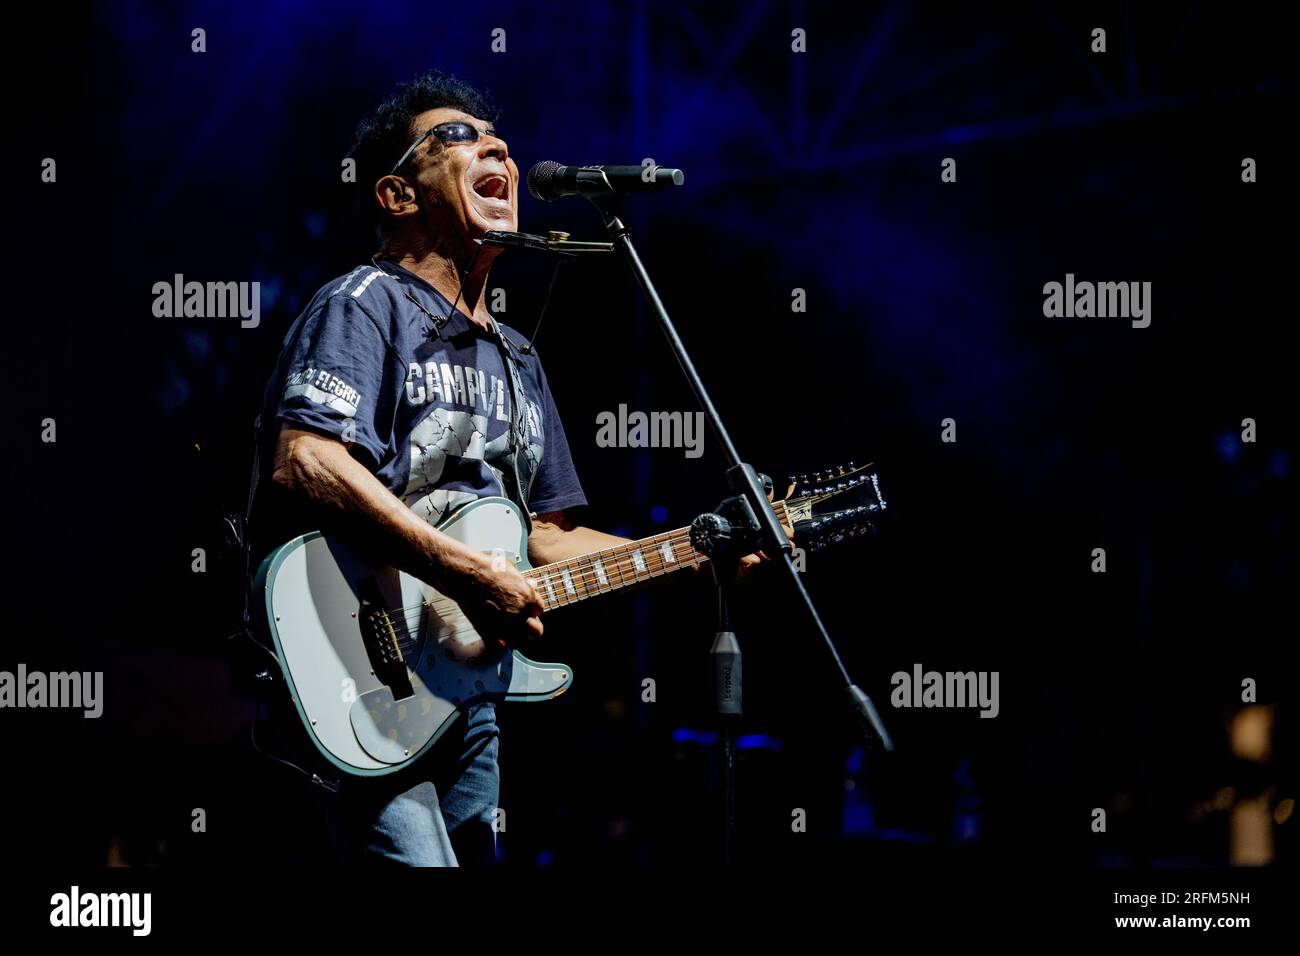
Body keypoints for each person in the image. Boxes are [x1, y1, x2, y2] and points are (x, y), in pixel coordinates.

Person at [251, 71, 773, 866]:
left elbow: (545, 541)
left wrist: (697, 551)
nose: (496, 146)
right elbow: (307, 460)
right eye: (457, 138)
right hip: (354, 660)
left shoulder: (518, 358)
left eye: (497, 138)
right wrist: (465, 572)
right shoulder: (363, 304)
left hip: (469, 693)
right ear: (396, 195)